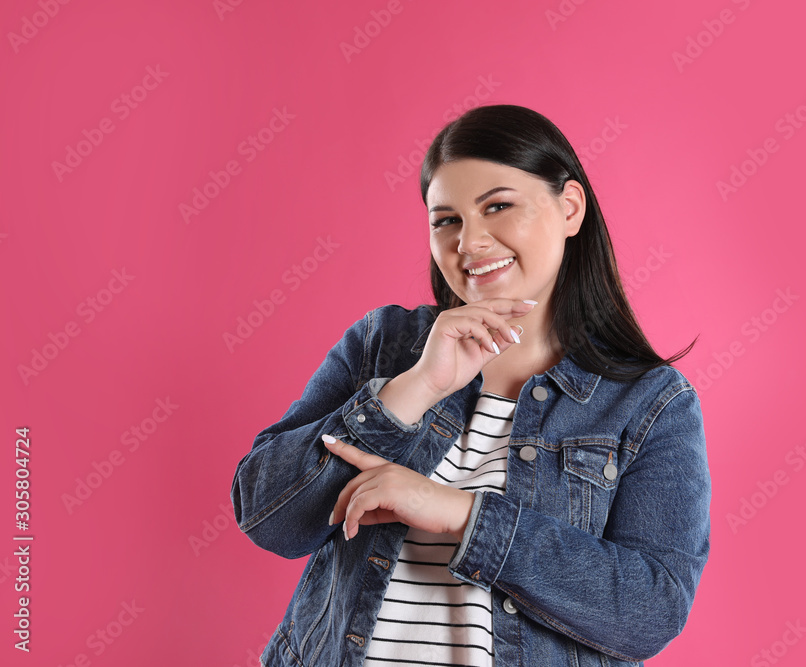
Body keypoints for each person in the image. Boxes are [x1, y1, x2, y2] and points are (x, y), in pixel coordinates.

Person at [231, 104, 711, 667]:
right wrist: (415, 388)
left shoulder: (650, 402)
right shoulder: (383, 343)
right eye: (446, 220)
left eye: (499, 206)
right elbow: (270, 517)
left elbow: (650, 610)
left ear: (570, 208)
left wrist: (457, 514)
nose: (470, 242)